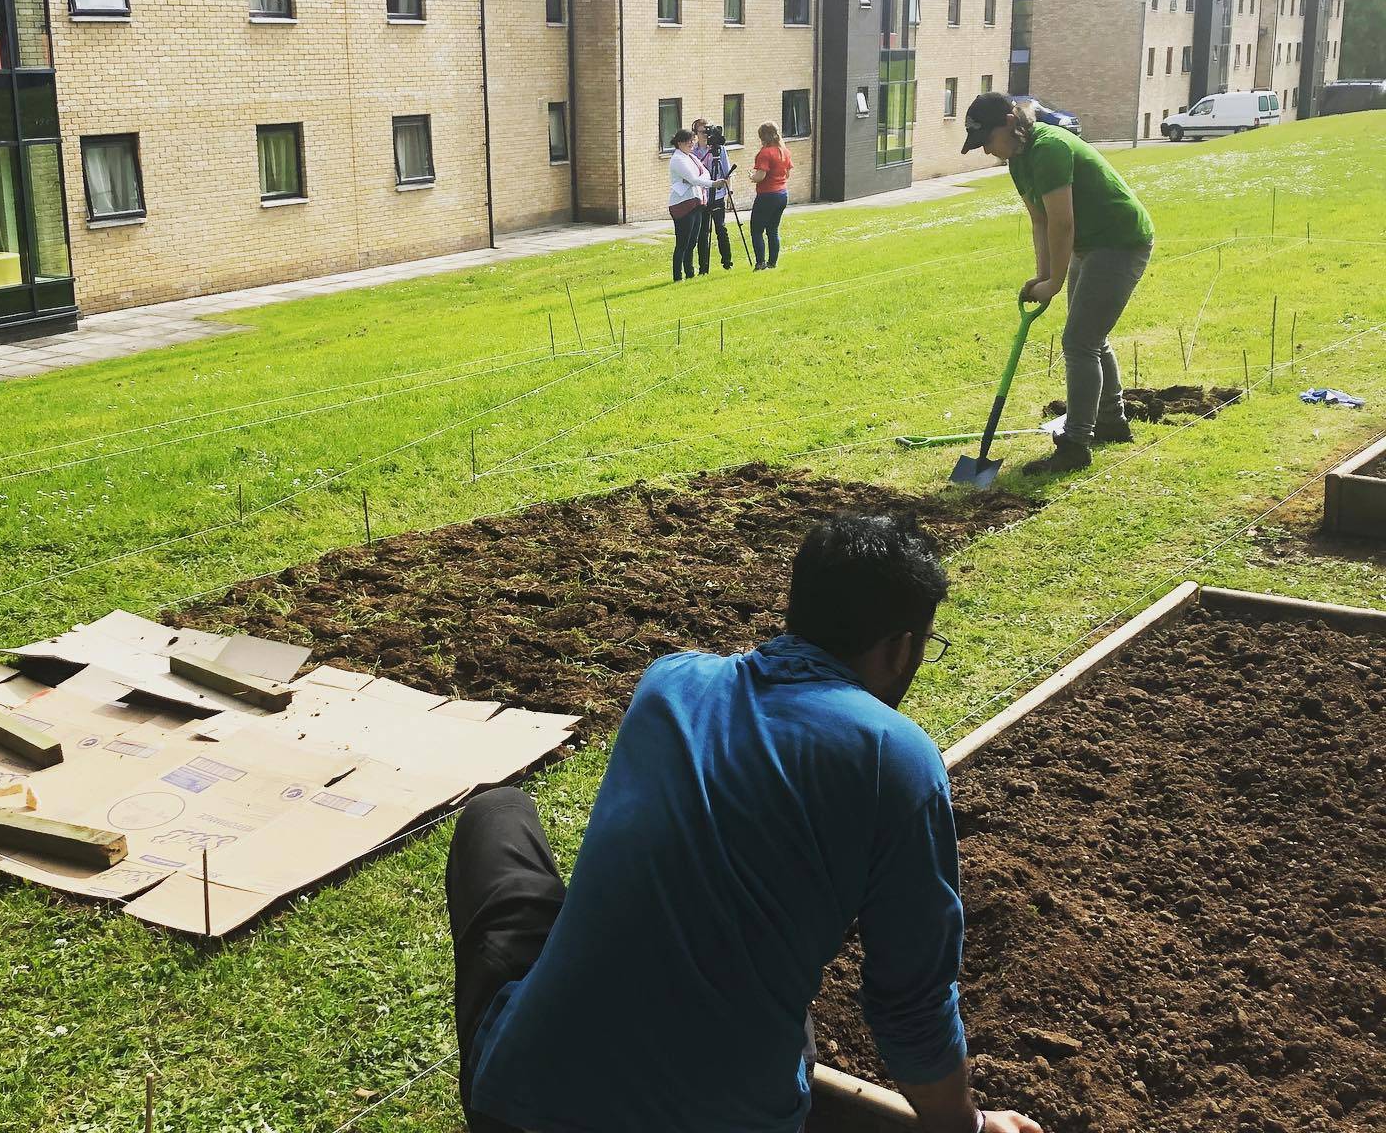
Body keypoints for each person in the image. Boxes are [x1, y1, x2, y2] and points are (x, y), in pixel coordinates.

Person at [446, 513, 1045, 1133]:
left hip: (517, 1107)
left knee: (498, 813)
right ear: (901, 648)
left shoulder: (669, 682)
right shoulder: (895, 757)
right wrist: (967, 1127)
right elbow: (912, 1007)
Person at [961, 90, 1154, 476]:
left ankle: (1076, 444)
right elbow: (1040, 221)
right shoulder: (1018, 160)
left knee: (1079, 342)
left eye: (987, 141)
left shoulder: (1049, 148)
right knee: (1090, 339)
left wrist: (1056, 281)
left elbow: (1063, 222)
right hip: (1090, 244)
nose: (986, 152)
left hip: (1118, 242)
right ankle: (1111, 422)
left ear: (1011, 125)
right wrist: (1043, 275)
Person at [666, 128, 723, 282]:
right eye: (688, 141)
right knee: (682, 243)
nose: (691, 143)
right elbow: (695, 179)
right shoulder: (678, 159)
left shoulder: (691, 157)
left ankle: (689, 273)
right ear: (679, 143)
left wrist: (697, 179)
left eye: (693, 140)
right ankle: (678, 277)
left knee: (692, 241)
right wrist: (712, 184)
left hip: (696, 202)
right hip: (683, 204)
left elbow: (704, 173)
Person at [691, 118, 734, 273]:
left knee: (721, 228)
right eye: (702, 132)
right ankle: (704, 267)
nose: (706, 135)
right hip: (701, 196)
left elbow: (727, 172)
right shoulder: (693, 152)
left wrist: (730, 193)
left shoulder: (719, 149)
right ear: (696, 133)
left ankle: (727, 261)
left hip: (717, 196)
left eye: (708, 131)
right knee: (703, 232)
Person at [749, 121, 791, 269]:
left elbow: (760, 176)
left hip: (767, 195)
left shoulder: (765, 153)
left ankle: (760, 263)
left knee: (756, 230)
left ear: (763, 137)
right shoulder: (784, 151)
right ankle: (772, 262)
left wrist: (752, 177)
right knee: (773, 230)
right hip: (782, 193)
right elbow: (787, 173)